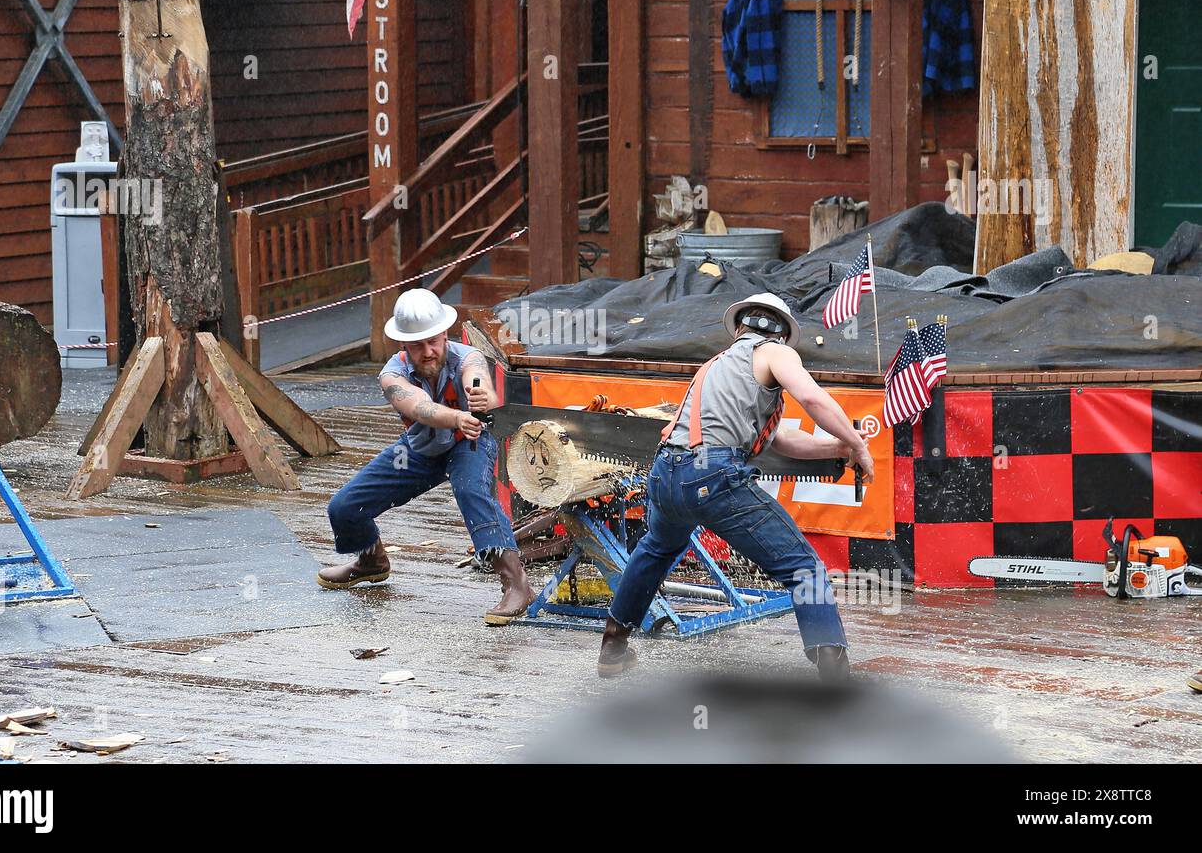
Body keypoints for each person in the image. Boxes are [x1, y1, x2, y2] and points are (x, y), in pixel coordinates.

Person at [596, 293, 874, 680]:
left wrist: (837, 446)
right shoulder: (775, 352)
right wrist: (858, 445)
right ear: (780, 333)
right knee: (805, 568)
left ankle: (613, 646)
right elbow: (812, 397)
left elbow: (780, 441)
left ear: (740, 327)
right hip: (710, 475)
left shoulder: (717, 365)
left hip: (666, 472)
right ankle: (836, 678)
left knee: (656, 550)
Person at [317, 289, 536, 625]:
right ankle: (371, 560)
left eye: (433, 341)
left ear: (444, 335)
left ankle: (517, 583)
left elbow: (479, 382)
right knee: (344, 507)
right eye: (418, 345)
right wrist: (455, 417)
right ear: (404, 345)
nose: (428, 351)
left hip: (470, 442)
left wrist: (480, 396)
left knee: (471, 490)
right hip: (419, 448)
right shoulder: (392, 374)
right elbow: (418, 406)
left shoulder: (469, 357)